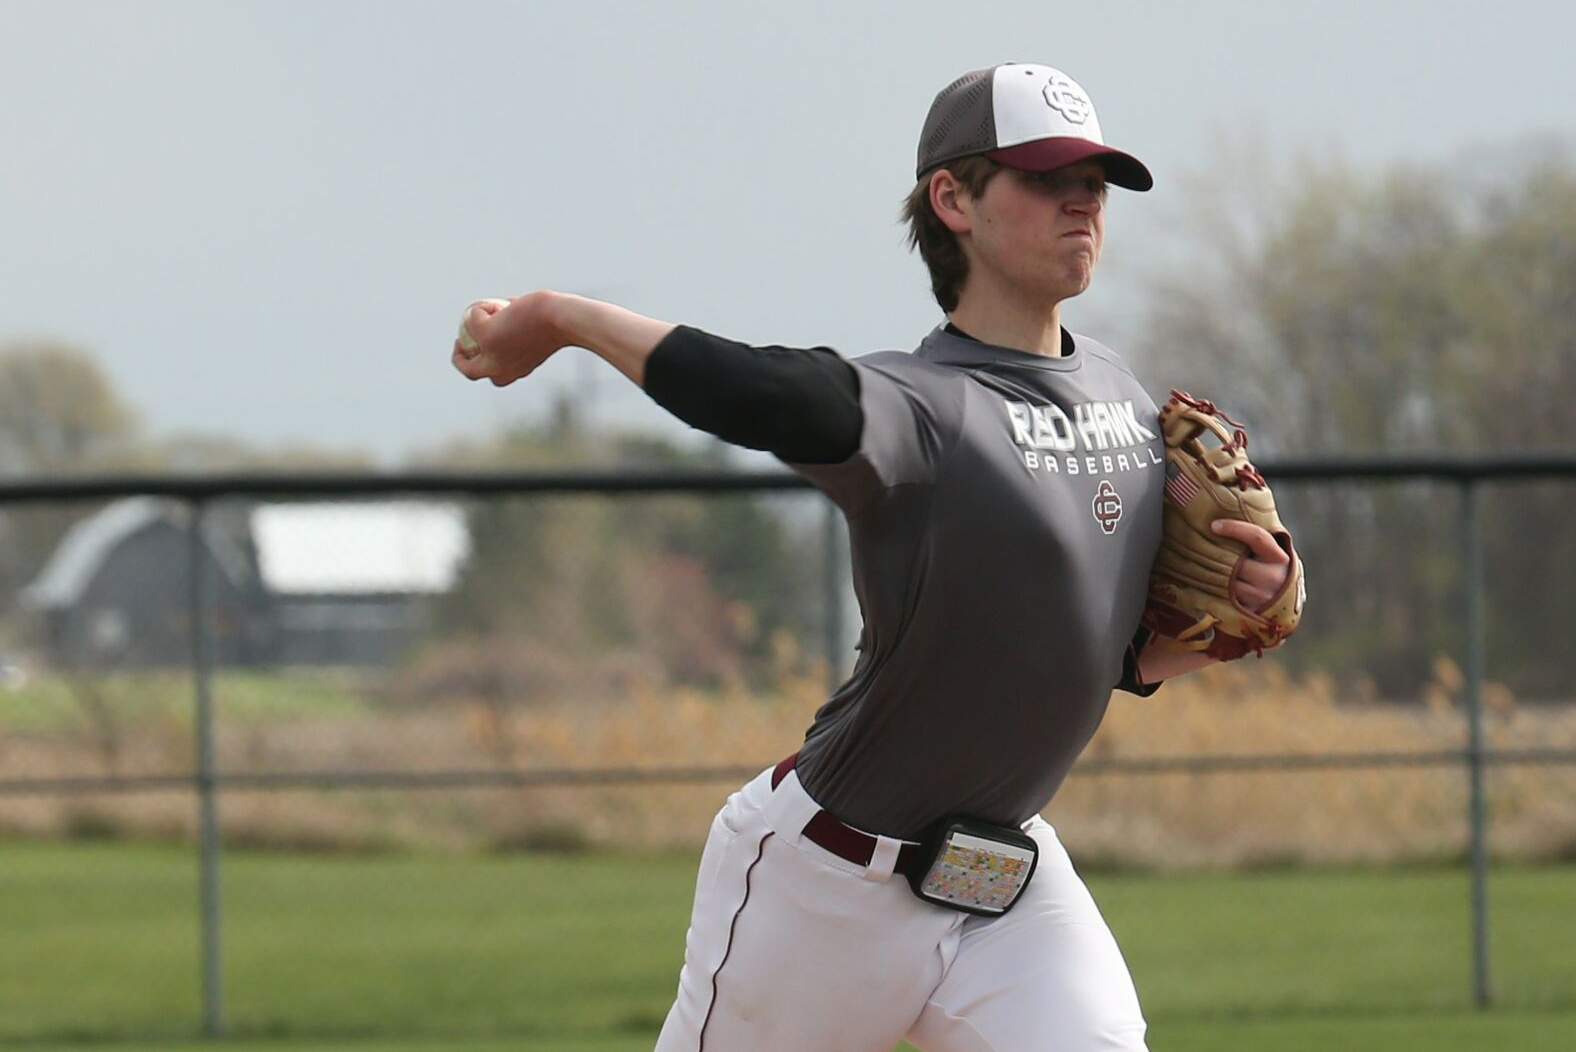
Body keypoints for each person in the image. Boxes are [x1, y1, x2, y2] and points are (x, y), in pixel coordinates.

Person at [452, 63, 1295, 1052]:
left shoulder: (1120, 392)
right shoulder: (923, 409)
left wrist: (1260, 597)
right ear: (953, 200)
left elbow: (1104, 652)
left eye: (1096, 179)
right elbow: (768, 395)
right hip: (822, 890)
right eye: (1044, 174)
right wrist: (564, 318)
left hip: (1002, 886)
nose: (1082, 198)